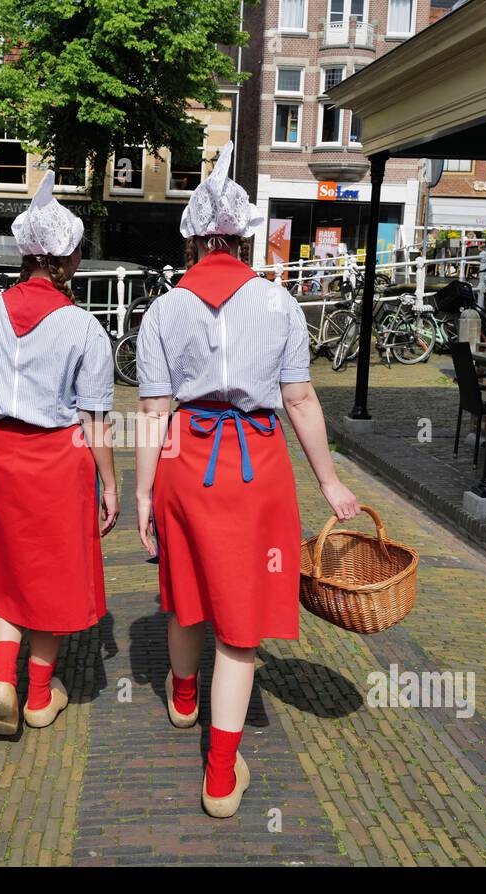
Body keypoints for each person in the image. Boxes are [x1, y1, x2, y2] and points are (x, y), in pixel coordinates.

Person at [134, 142, 362, 818]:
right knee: (238, 626)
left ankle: (182, 698)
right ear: (242, 238)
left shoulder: (164, 308)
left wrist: (143, 492)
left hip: (184, 458)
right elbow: (300, 401)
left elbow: (153, 410)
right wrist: (328, 482)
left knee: (182, 586)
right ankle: (221, 773)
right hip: (256, 466)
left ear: (196, 239)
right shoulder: (279, 303)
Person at [0, 171, 119, 736]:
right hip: (58, 460)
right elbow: (95, 418)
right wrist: (111, 486)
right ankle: (40, 695)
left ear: (26, 253)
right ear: (67, 260)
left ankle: (3, 678)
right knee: (49, 572)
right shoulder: (83, 328)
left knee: (3, 565)